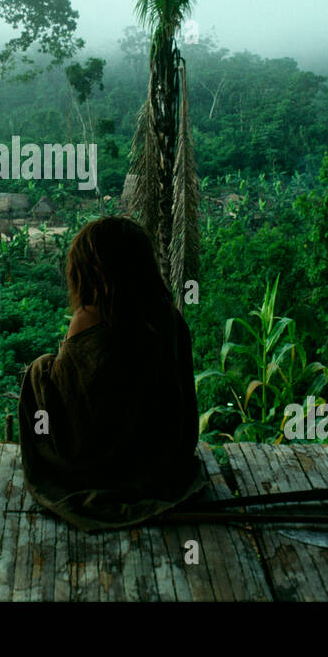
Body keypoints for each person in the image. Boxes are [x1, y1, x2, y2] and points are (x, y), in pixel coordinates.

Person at [18, 216, 206, 531]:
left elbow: (69, 397)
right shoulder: (171, 320)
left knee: (39, 370)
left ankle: (58, 465)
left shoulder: (89, 320)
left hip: (102, 468)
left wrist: (50, 364)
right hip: (161, 464)